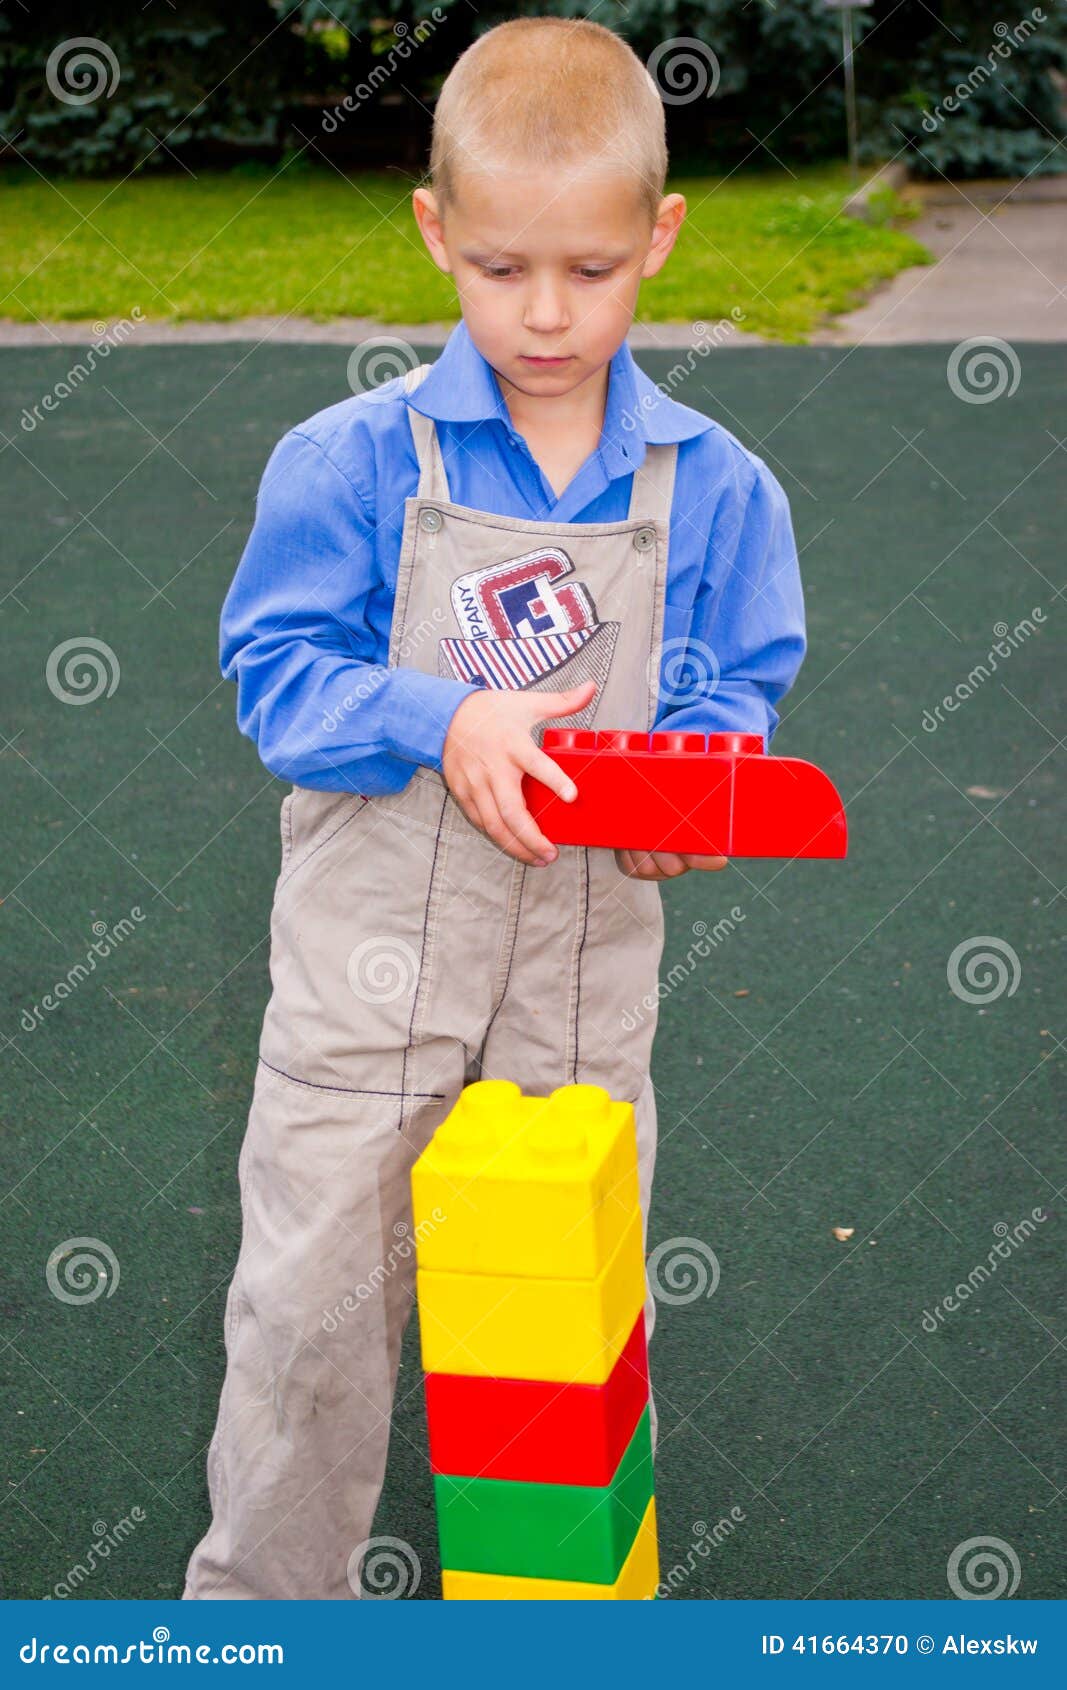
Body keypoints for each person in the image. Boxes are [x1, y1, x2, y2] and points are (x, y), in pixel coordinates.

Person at [184, 14, 806, 1600]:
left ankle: (560, 1625)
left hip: (574, 1002)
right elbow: (276, 678)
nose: (546, 314)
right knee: (307, 1317)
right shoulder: (345, 462)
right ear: (435, 232)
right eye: (503, 267)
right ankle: (266, 1614)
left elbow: (739, 685)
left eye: (592, 271)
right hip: (363, 985)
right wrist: (435, 715)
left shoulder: (720, 488)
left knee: (562, 1328)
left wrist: (699, 785)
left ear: (659, 236)